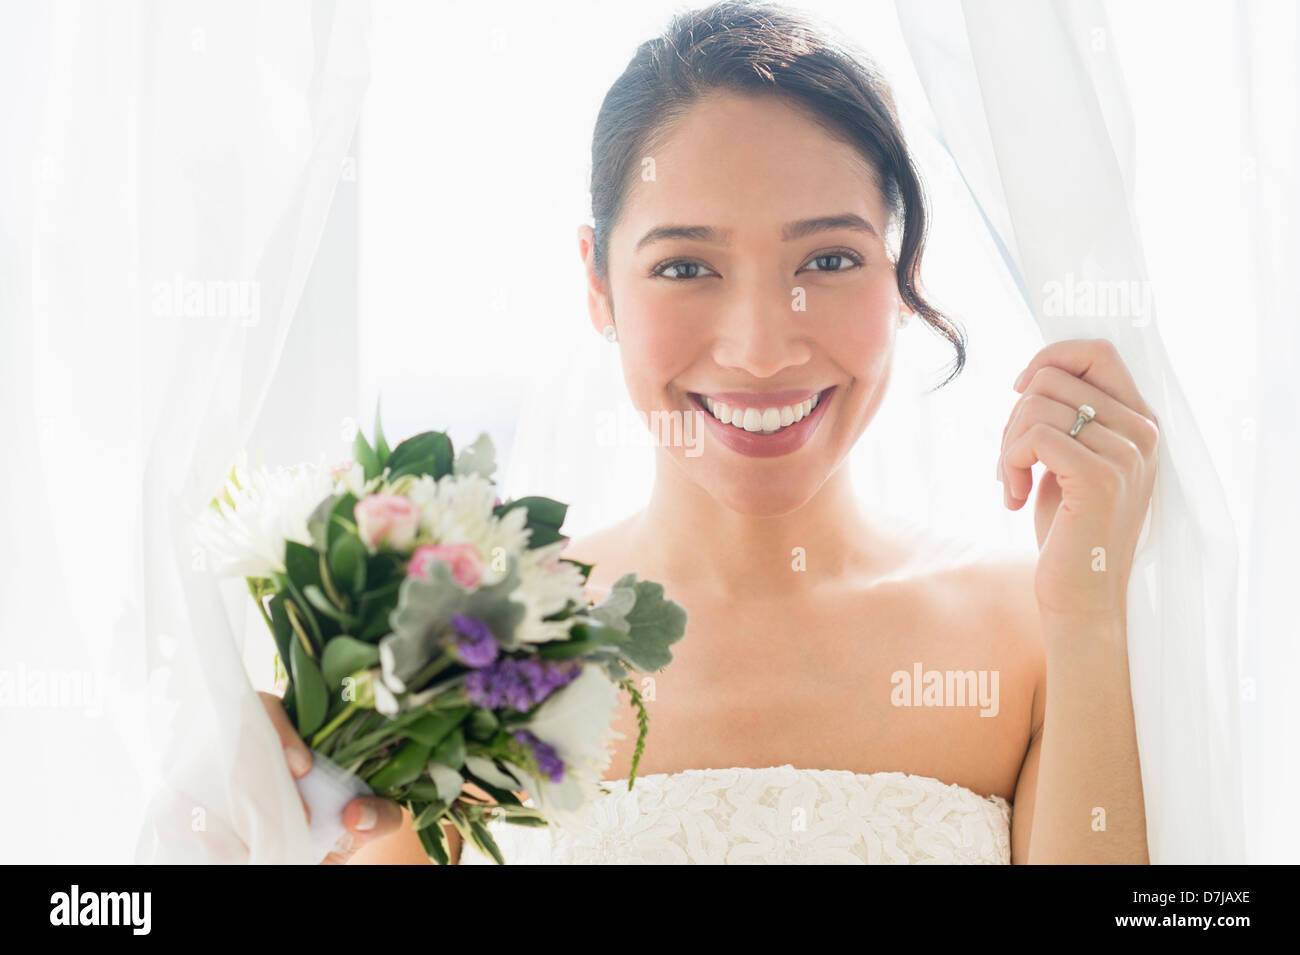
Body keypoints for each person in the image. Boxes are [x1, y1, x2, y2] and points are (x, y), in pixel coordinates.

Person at [263, 0, 1157, 865]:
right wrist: (268, 818)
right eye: (686, 265)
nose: (762, 350)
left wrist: (1086, 617)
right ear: (599, 282)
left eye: (830, 259)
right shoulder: (458, 651)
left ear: (905, 270)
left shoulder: (1031, 637)